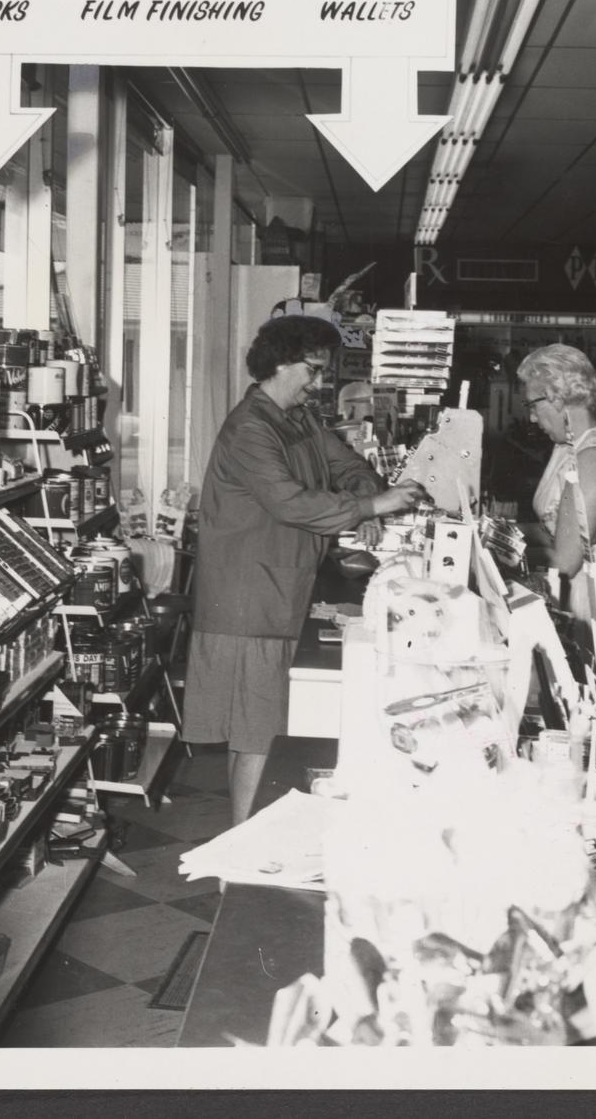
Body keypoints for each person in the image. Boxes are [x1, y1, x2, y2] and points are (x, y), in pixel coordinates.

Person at [183, 315, 425, 823]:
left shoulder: (298, 418)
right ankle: (240, 844)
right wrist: (373, 508)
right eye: (312, 371)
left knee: (262, 720)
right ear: (278, 363)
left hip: (281, 581)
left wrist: (365, 495)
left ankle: (245, 835)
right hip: (249, 594)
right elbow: (290, 503)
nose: (318, 384)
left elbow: (346, 464)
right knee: (254, 726)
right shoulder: (250, 428)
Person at [517, 343, 596, 618]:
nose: (532, 417)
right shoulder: (568, 447)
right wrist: (498, 533)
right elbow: (555, 528)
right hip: (575, 598)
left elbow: (564, 562)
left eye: (532, 406)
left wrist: (503, 554)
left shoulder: (593, 459)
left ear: (556, 398)